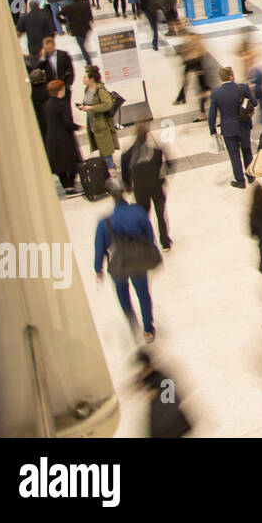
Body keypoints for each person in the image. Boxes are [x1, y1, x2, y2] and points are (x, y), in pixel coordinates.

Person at [93, 178, 157, 344]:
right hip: (138, 261)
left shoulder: (104, 223)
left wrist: (98, 270)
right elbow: (149, 236)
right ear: (124, 193)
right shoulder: (138, 212)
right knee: (143, 294)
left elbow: (99, 248)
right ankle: (148, 330)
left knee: (123, 294)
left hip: (118, 265)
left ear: (110, 196)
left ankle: (132, 323)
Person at [121, 120, 171, 250]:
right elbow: (163, 166)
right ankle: (165, 241)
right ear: (147, 135)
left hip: (140, 189)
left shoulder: (127, 154)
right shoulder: (155, 151)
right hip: (156, 187)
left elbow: (125, 174)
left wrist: (128, 186)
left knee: (144, 216)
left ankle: (148, 241)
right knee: (160, 215)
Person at [208, 66, 255, 189]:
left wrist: (213, 130)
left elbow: (212, 114)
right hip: (244, 125)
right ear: (232, 76)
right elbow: (254, 102)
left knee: (234, 155)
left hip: (228, 129)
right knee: (246, 150)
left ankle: (240, 180)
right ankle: (250, 175)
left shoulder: (216, 93)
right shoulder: (243, 88)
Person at [76, 65, 119, 171]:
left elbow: (107, 104)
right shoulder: (87, 90)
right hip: (92, 124)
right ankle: (108, 166)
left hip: (102, 124)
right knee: (102, 146)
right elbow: (87, 102)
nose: (83, 79)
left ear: (91, 79)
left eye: (85, 77)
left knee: (105, 148)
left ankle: (110, 168)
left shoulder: (100, 90)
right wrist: (82, 106)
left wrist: (91, 108)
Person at [43, 80, 82, 195]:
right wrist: (77, 127)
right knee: (72, 161)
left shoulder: (47, 105)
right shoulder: (62, 104)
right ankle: (71, 185)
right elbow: (67, 122)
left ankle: (66, 186)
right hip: (64, 137)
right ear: (60, 90)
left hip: (51, 137)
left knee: (59, 164)